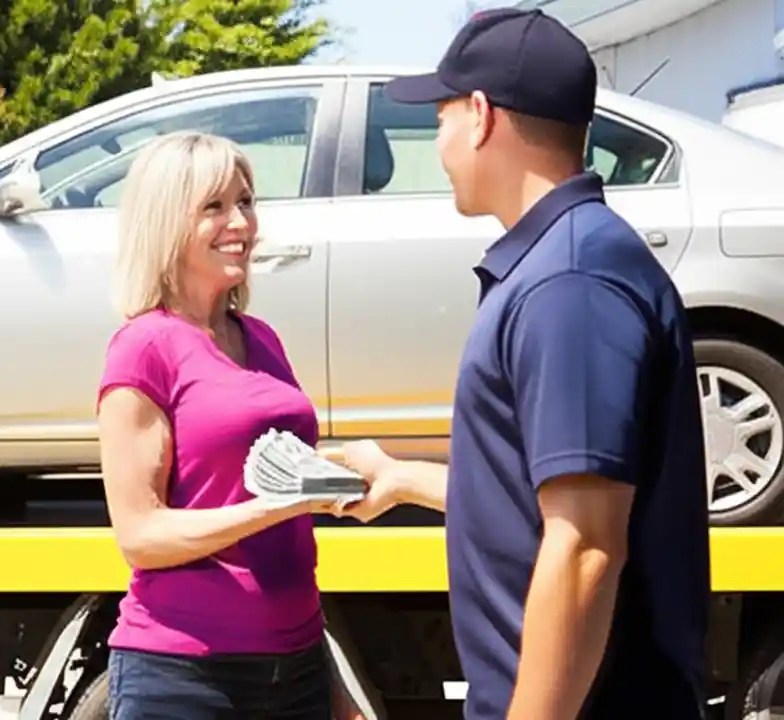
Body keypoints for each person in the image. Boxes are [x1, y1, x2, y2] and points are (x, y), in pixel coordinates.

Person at [332, 8, 711, 719]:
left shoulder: (570, 283)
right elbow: (537, 494)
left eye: (440, 115)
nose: (437, 139)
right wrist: (404, 478)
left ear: (479, 117)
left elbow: (586, 545)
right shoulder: (563, 263)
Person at [95, 130, 344, 719]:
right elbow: (140, 536)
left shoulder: (260, 338)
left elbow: (285, 525)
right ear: (166, 223)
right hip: (186, 675)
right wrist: (275, 505)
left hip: (299, 664)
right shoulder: (144, 347)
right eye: (214, 207)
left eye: (247, 202)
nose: (242, 223)